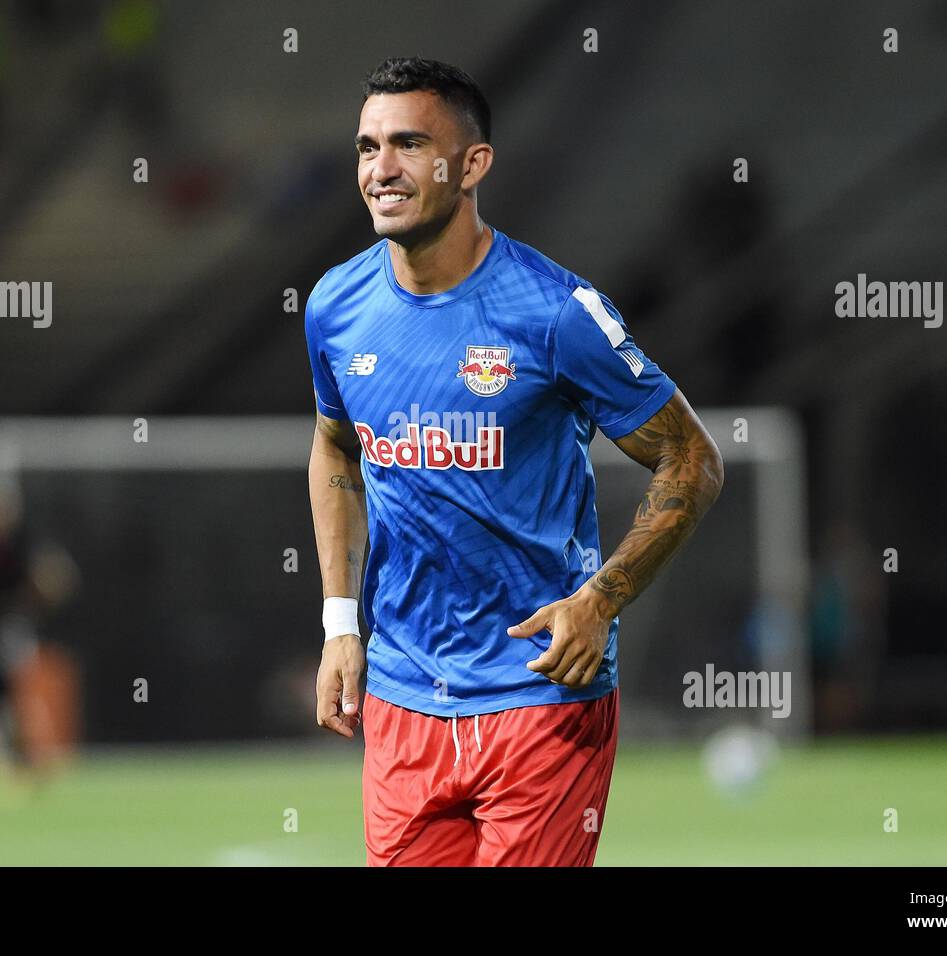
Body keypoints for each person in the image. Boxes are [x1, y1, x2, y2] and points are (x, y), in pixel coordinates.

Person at [305, 57, 724, 866]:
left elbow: (690, 459)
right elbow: (334, 447)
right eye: (366, 147)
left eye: (408, 144)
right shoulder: (335, 306)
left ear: (472, 164)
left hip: (539, 695)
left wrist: (602, 599)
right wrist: (338, 624)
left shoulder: (557, 313)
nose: (380, 170)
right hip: (402, 703)